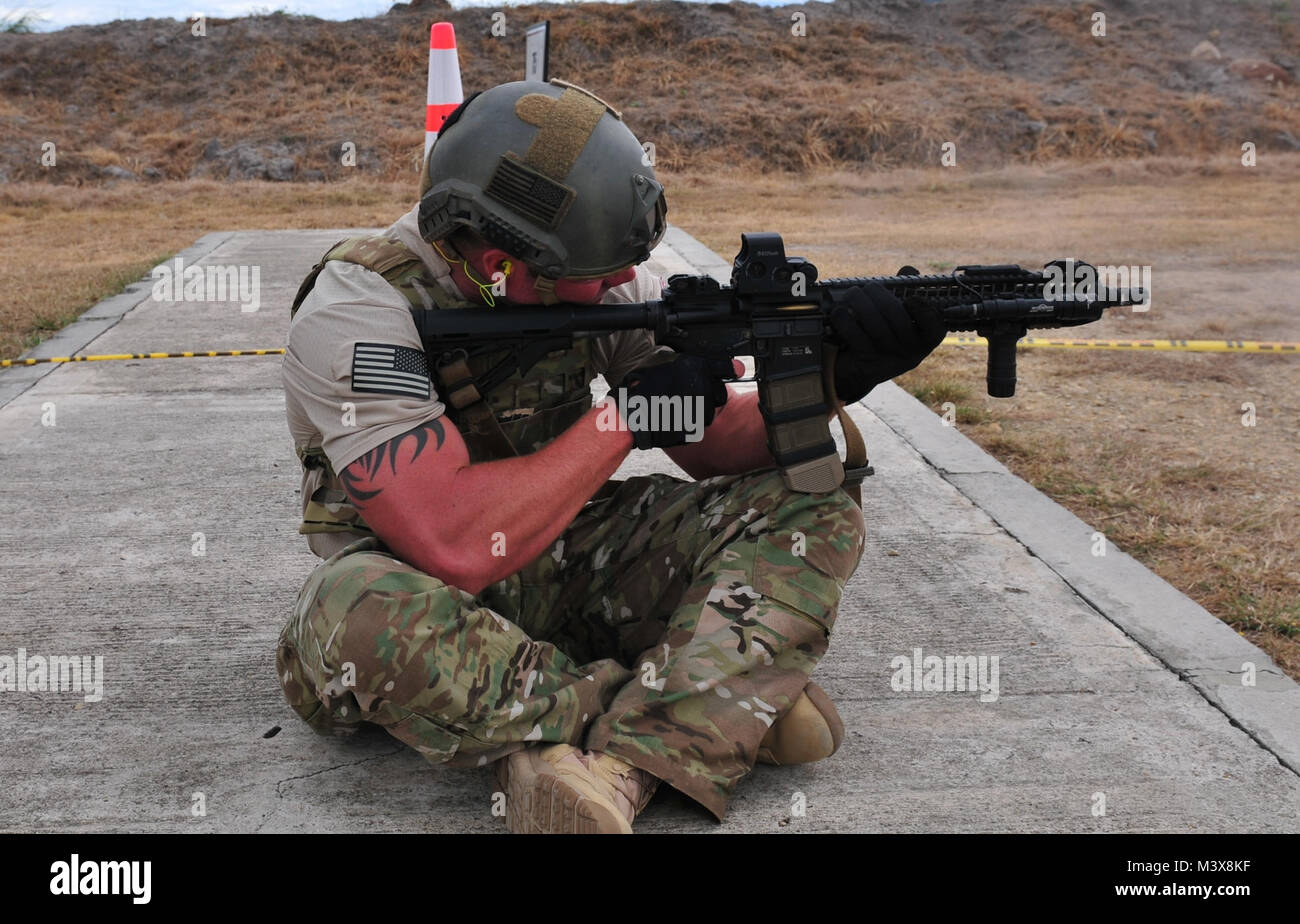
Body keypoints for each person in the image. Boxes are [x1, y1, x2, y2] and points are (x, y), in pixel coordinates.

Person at [276, 79, 945, 833]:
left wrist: (836, 372)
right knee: (354, 609)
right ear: (502, 264)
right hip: (420, 595)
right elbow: (451, 540)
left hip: (569, 561)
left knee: (806, 506)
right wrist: (625, 416)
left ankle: (594, 746)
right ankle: (695, 715)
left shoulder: (594, 279)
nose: (625, 283)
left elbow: (713, 447)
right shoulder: (358, 310)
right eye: (602, 274)